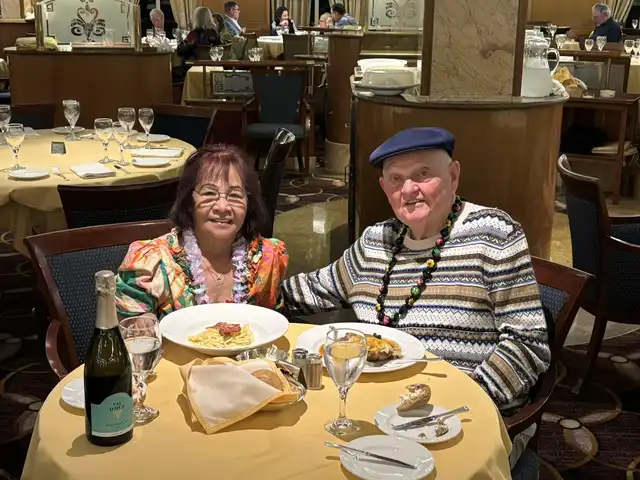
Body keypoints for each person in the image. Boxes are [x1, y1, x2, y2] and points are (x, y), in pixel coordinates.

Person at [280, 127, 551, 465]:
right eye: (396, 179)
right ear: (384, 187)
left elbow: (528, 344)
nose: (408, 190)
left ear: (453, 176)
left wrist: (464, 400)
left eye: (423, 174)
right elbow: (314, 288)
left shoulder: (494, 235)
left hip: (463, 419)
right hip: (378, 410)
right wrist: (246, 288)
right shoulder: (376, 243)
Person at [116, 145, 289, 319]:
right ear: (189, 201)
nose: (223, 207)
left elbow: (271, 325)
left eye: (235, 195)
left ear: (248, 203)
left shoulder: (266, 260)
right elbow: (132, 330)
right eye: (209, 193)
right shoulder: (152, 264)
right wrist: (143, 323)